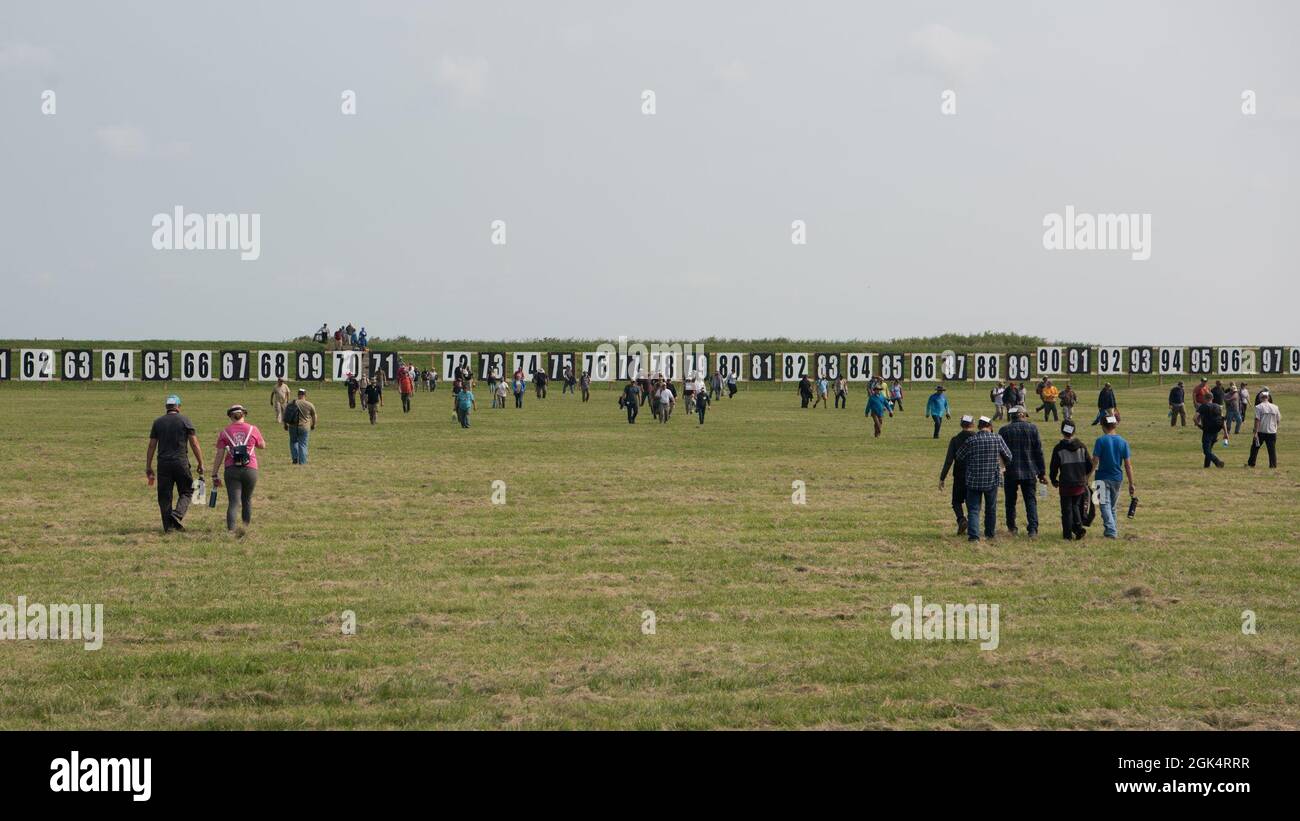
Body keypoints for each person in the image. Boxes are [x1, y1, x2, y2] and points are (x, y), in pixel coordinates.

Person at [145, 394, 205, 532]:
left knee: (164, 495)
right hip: (180, 462)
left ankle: (168, 527)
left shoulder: (158, 422)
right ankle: (177, 515)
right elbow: (194, 443)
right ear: (178, 407)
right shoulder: (185, 421)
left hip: (163, 464)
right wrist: (200, 462)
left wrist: (148, 466)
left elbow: (152, 445)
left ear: (166, 407)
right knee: (187, 490)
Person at [955, 417, 1013, 543]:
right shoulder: (997, 439)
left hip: (974, 479)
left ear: (978, 427)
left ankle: (974, 536)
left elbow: (959, 456)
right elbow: (1009, 455)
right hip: (991, 478)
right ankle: (990, 534)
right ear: (990, 426)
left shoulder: (972, 440)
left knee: (974, 509)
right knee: (990, 508)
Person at [210, 404, 266, 532]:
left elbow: (219, 454)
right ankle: (245, 528)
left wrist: (214, 473)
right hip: (250, 469)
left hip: (231, 469)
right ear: (243, 415)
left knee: (233, 502)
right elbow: (262, 445)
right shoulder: (253, 429)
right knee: (247, 500)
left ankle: (231, 530)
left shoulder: (224, 432)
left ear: (230, 416)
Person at [998, 406, 1047, 536]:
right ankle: (1032, 529)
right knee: (1030, 501)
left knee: (1010, 501)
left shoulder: (1004, 430)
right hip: (1030, 470)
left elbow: (1000, 453)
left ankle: (1012, 527)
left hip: (1010, 471)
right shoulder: (1033, 429)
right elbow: (1038, 452)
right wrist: (1042, 472)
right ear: (1023, 415)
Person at [1091, 416, 1135, 539]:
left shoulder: (1100, 441)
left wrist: (1087, 475)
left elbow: (1095, 461)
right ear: (1115, 425)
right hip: (1117, 478)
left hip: (1101, 477)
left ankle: (1111, 531)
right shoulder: (1123, 442)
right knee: (1112, 507)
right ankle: (1113, 528)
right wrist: (1131, 483)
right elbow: (1128, 465)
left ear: (1103, 426)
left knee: (1104, 505)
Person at [1049, 421, 1093, 540]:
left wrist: (1053, 480)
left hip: (1066, 483)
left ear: (1062, 431)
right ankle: (1078, 527)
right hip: (1079, 482)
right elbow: (1090, 465)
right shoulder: (1082, 447)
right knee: (1075, 505)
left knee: (1066, 510)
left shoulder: (1058, 449)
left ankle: (1068, 535)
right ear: (1074, 431)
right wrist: (1084, 475)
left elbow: (1054, 467)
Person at [939, 415, 976, 535]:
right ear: (973, 424)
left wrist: (942, 478)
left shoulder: (955, 439)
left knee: (956, 501)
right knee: (972, 503)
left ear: (961, 425)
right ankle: (973, 526)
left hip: (959, 475)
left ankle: (961, 519)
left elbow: (949, 460)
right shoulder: (977, 438)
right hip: (974, 474)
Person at [1247, 389, 1280, 468]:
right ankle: (1273, 465)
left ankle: (1251, 463)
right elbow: (1278, 420)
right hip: (1272, 432)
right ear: (1268, 398)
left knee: (1254, 448)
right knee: (1271, 450)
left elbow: (1257, 420)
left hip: (1261, 432)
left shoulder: (1259, 407)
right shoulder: (1275, 407)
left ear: (1260, 398)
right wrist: (1275, 428)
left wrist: (1255, 432)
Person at [284, 388, 317, 463]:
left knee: (293, 442)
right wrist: (313, 425)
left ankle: (295, 458)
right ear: (305, 395)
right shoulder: (309, 404)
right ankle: (302, 461)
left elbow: (286, 415)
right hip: (304, 427)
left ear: (298, 394)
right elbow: (314, 415)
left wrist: (285, 424)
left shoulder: (291, 403)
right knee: (303, 444)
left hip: (292, 426)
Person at [1195, 396, 1227, 468]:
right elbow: (1223, 420)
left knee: (1206, 451)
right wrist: (1226, 433)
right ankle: (1206, 466)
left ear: (1205, 399)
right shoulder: (1218, 406)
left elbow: (1195, 418)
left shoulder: (1203, 406)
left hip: (1207, 430)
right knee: (1209, 449)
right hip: (1216, 430)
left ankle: (1217, 461)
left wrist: (1199, 425)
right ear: (1212, 398)